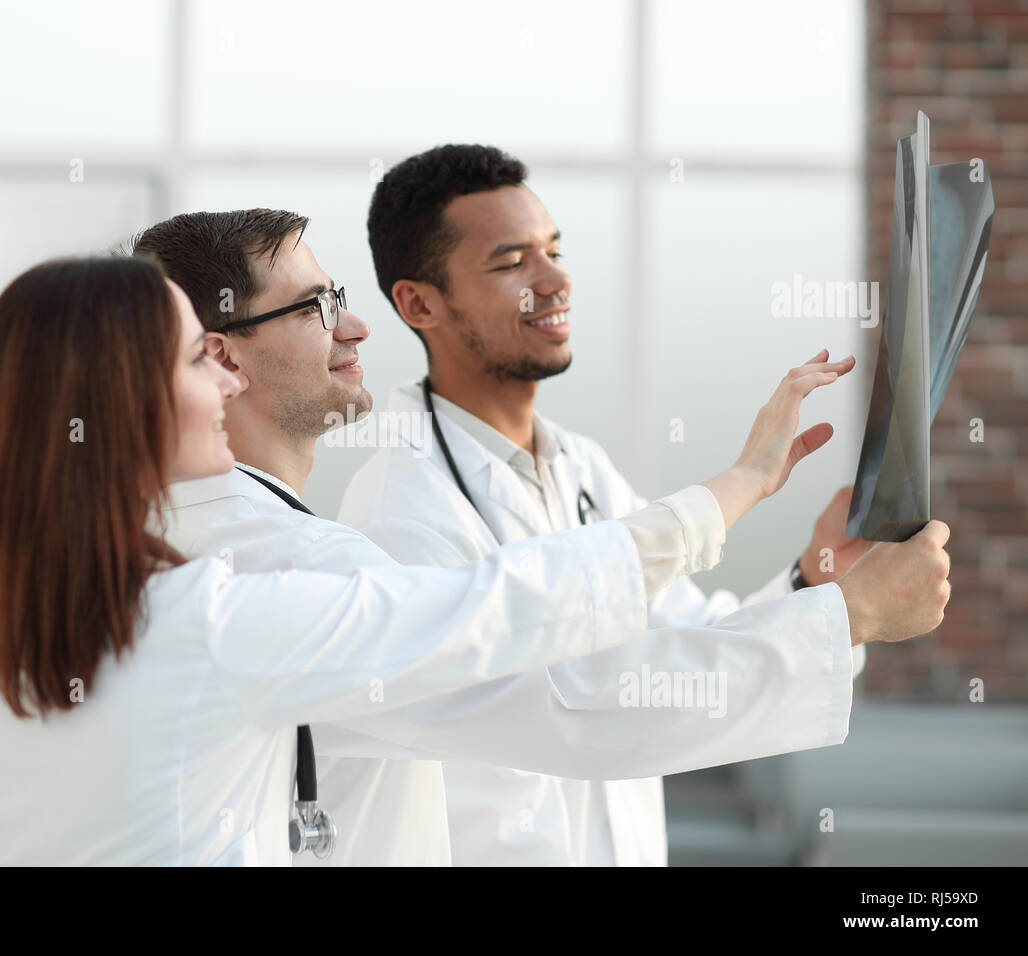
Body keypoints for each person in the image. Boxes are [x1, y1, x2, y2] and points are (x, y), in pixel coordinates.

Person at [0, 255, 841, 866]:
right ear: (127, 403)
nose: (225, 379)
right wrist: (740, 488)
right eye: (198, 360)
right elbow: (495, 611)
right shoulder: (207, 624)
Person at [133, 210, 951, 866]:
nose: (355, 325)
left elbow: (655, 639)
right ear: (222, 356)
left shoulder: (254, 539)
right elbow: (575, 699)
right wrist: (824, 591)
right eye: (315, 306)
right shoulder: (309, 557)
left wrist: (815, 590)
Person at [339, 142, 946, 865]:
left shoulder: (580, 466)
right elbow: (577, 714)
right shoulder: (399, 511)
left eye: (555, 250)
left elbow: (678, 640)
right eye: (512, 263)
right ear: (419, 303)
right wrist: (856, 614)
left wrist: (816, 584)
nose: (556, 280)